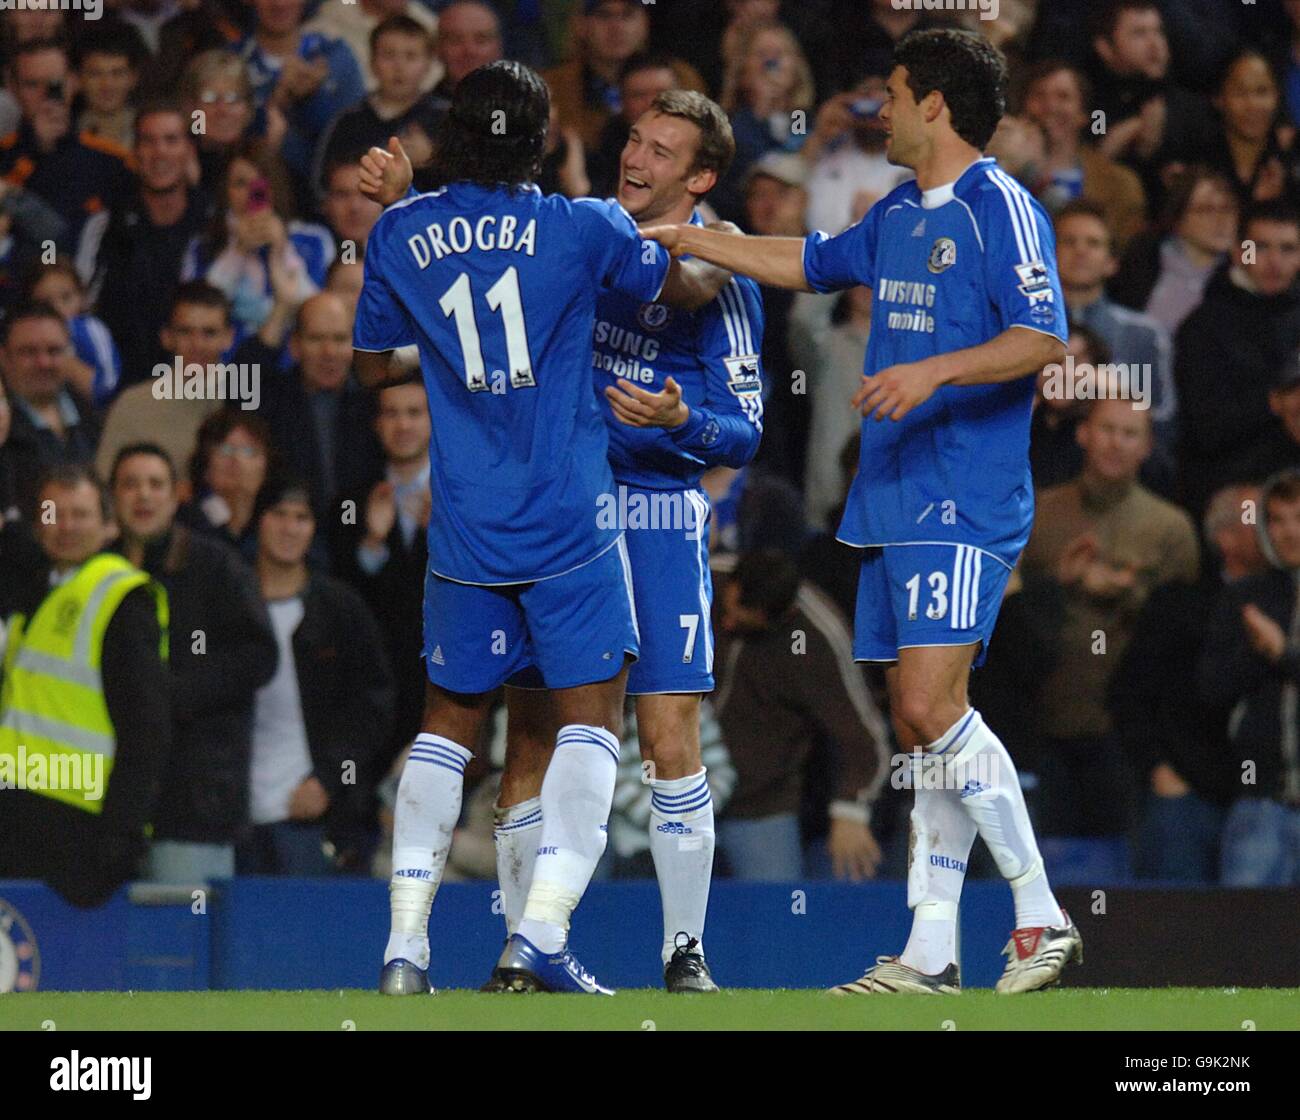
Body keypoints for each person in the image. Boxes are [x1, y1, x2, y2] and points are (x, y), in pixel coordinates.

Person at [642, 29, 1080, 995]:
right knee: (922, 730)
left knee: (930, 707)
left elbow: (1043, 337)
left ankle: (1042, 914)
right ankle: (931, 948)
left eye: (892, 93)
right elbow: (808, 259)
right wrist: (693, 237)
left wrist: (930, 369)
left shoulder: (999, 206)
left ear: (935, 105)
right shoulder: (895, 211)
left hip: (963, 493)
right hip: (893, 497)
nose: (879, 110)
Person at [351, 60, 731, 996]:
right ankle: (543, 933)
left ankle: (405, 948)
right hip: (571, 524)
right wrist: (713, 240)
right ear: (542, 140)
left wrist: (420, 231)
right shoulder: (585, 224)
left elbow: (368, 367)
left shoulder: (399, 227)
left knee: (448, 728)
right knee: (590, 723)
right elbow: (682, 287)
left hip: (468, 531)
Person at [488, 90, 762, 993]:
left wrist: (685, 419)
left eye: (662, 150)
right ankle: (523, 947)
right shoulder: (585, 239)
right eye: (635, 140)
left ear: (702, 178)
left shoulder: (725, 272)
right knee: (531, 732)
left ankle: (684, 951)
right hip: (561, 516)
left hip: (655, 515)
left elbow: (745, 429)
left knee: (667, 735)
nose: (636, 158)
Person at [1019, 398, 1199, 840]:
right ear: (1083, 435)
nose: (1116, 443)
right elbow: (999, 610)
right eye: (1107, 430)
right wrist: (1057, 581)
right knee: (1039, 874)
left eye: (1130, 433)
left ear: (1147, 446)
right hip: (1039, 723)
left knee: (1123, 883)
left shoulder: (1170, 528)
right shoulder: (1035, 514)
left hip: (1126, 735)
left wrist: (1129, 594)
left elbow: (1186, 635)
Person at [0, 465, 170, 908]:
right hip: (21, 822)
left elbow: (146, 728)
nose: (67, 526)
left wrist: (121, 837)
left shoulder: (119, 598)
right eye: (54, 513)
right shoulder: (40, 597)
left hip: (79, 832)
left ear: (109, 525)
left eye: (81, 514)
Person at [109, 443, 279, 883]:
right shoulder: (98, 569)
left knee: (185, 941)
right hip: (107, 805)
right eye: (130, 484)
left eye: (155, 484)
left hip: (194, 805)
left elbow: (260, 655)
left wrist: (173, 696)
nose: (143, 496)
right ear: (112, 496)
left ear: (177, 495)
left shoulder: (216, 565)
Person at [1111, 483, 1266, 884]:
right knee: (1176, 930)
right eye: (1259, 517)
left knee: (1265, 934)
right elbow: (1128, 693)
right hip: (1187, 798)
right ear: (1224, 536)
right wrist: (1159, 770)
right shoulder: (1179, 605)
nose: (1275, 528)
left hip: (1269, 803)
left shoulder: (1290, 604)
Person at [241, 473, 393, 875]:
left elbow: (372, 705)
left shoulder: (340, 609)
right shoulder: (228, 605)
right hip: (234, 817)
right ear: (258, 520)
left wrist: (328, 780)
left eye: (302, 517)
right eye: (279, 514)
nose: (290, 528)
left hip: (311, 821)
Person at [711, 549, 889, 882]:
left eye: (742, 621)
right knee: (632, 912)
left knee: (777, 921)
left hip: (759, 806)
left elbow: (866, 738)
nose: (726, 623)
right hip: (663, 792)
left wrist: (851, 808)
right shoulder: (703, 579)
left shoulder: (817, 636)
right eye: (725, 608)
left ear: (784, 616)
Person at [1199, 468, 1300, 886]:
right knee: (1242, 942)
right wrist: (1261, 654)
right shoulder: (1247, 597)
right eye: (1276, 520)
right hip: (1261, 803)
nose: (1288, 531)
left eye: (1298, 517)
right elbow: (1211, 689)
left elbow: (1281, 656)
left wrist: (1282, 653)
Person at [1175, 200, 1300, 516]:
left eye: (1288, 249)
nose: (1275, 261)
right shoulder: (1203, 326)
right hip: (1231, 487)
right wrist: (1275, 404)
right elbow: (1205, 428)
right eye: (1259, 247)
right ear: (1237, 252)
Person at [78, 100, 213, 387]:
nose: (160, 152)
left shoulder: (216, 225)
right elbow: (80, 308)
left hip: (204, 386)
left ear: (189, 150)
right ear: (135, 151)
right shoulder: (104, 225)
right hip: (125, 390)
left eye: (171, 140)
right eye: (148, 141)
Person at [0, 39, 133, 250]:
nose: (46, 96)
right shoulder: (4, 156)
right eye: (32, 84)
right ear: (12, 87)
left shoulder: (113, 160)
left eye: (55, 85)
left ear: (73, 83)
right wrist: (36, 151)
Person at [311, 15, 447, 199]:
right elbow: (321, 188)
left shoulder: (447, 119)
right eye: (389, 55)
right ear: (372, 63)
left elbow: (470, 187)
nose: (399, 67)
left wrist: (433, 160)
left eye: (411, 56)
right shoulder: (347, 122)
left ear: (428, 64)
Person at [0, 301, 101, 522]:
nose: (43, 362)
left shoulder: (96, 417)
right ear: (3, 357)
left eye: (54, 351)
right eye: (29, 352)